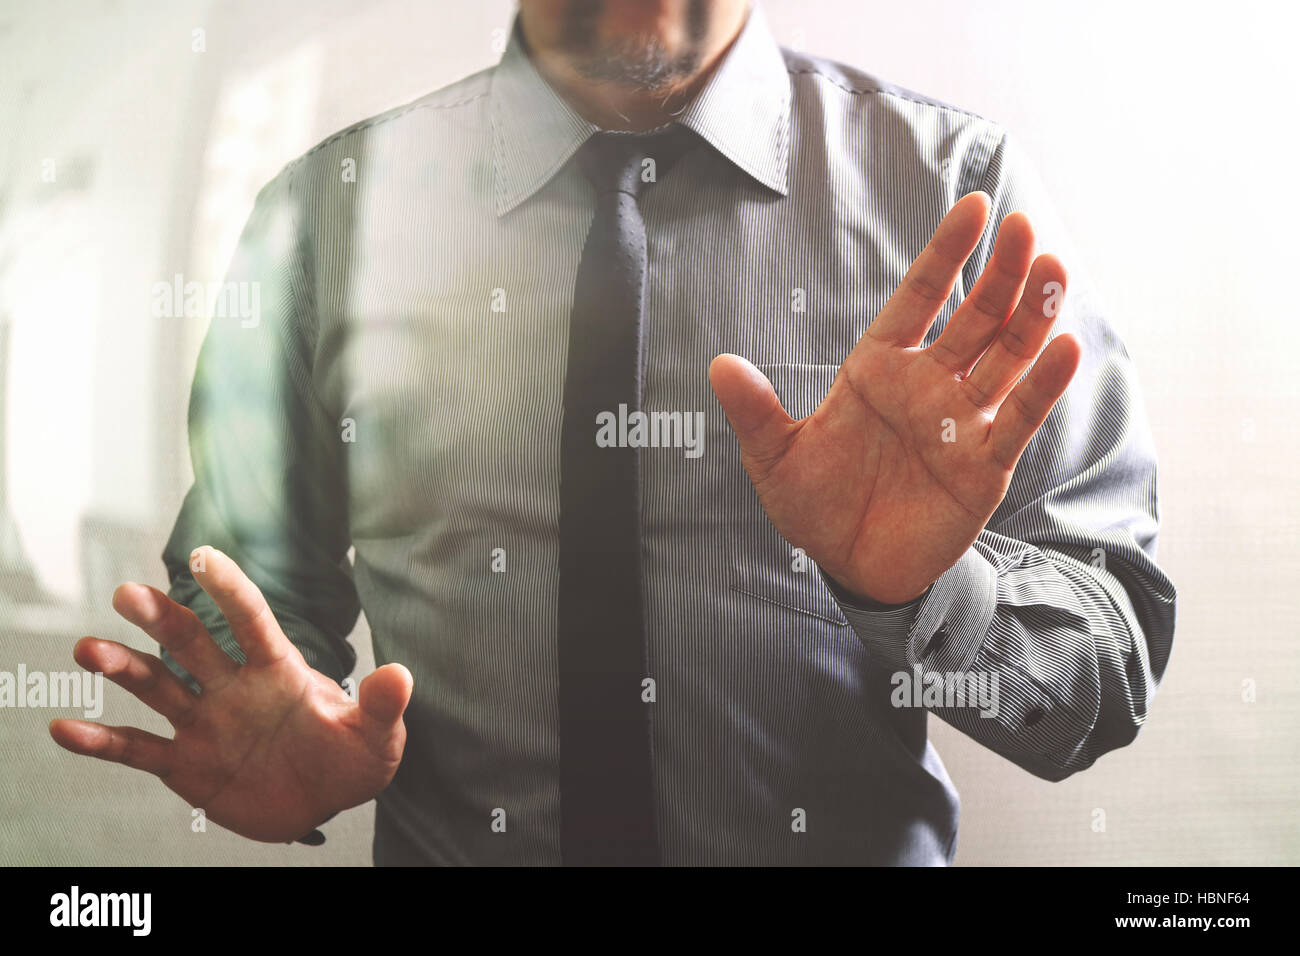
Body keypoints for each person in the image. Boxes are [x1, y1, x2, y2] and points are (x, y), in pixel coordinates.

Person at [50, 0, 1176, 865]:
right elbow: (244, 603)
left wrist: (926, 592)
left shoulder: (956, 199)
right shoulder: (321, 218)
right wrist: (274, 727)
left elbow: (1103, 676)